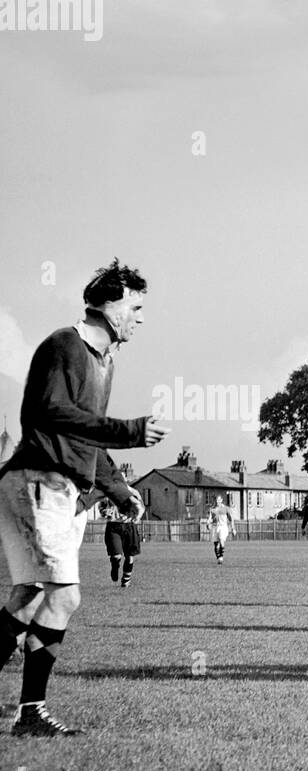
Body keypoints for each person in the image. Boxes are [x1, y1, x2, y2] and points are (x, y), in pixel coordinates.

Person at [0, 258, 169, 736]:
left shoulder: (104, 361)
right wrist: (130, 430)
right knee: (64, 595)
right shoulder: (64, 346)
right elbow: (50, 411)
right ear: (110, 306)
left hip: (57, 485)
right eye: (135, 307)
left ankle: (28, 711)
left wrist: (118, 486)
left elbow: (87, 439)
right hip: (38, 481)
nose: (140, 317)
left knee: (30, 596)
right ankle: (30, 713)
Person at [101, 499, 142, 588]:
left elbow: (140, 506)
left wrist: (137, 515)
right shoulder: (108, 493)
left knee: (130, 557)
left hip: (129, 526)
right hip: (113, 526)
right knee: (116, 556)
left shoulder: (132, 493)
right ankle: (115, 567)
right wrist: (104, 512)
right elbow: (102, 506)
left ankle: (126, 581)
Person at [209, 496, 236, 563]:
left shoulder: (226, 508)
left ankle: (221, 556)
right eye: (216, 500)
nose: (217, 501)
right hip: (215, 527)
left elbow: (231, 519)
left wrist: (233, 529)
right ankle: (218, 557)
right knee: (216, 544)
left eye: (219, 500)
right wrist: (208, 523)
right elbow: (210, 518)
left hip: (223, 527)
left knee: (222, 541)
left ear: (221, 500)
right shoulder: (213, 509)